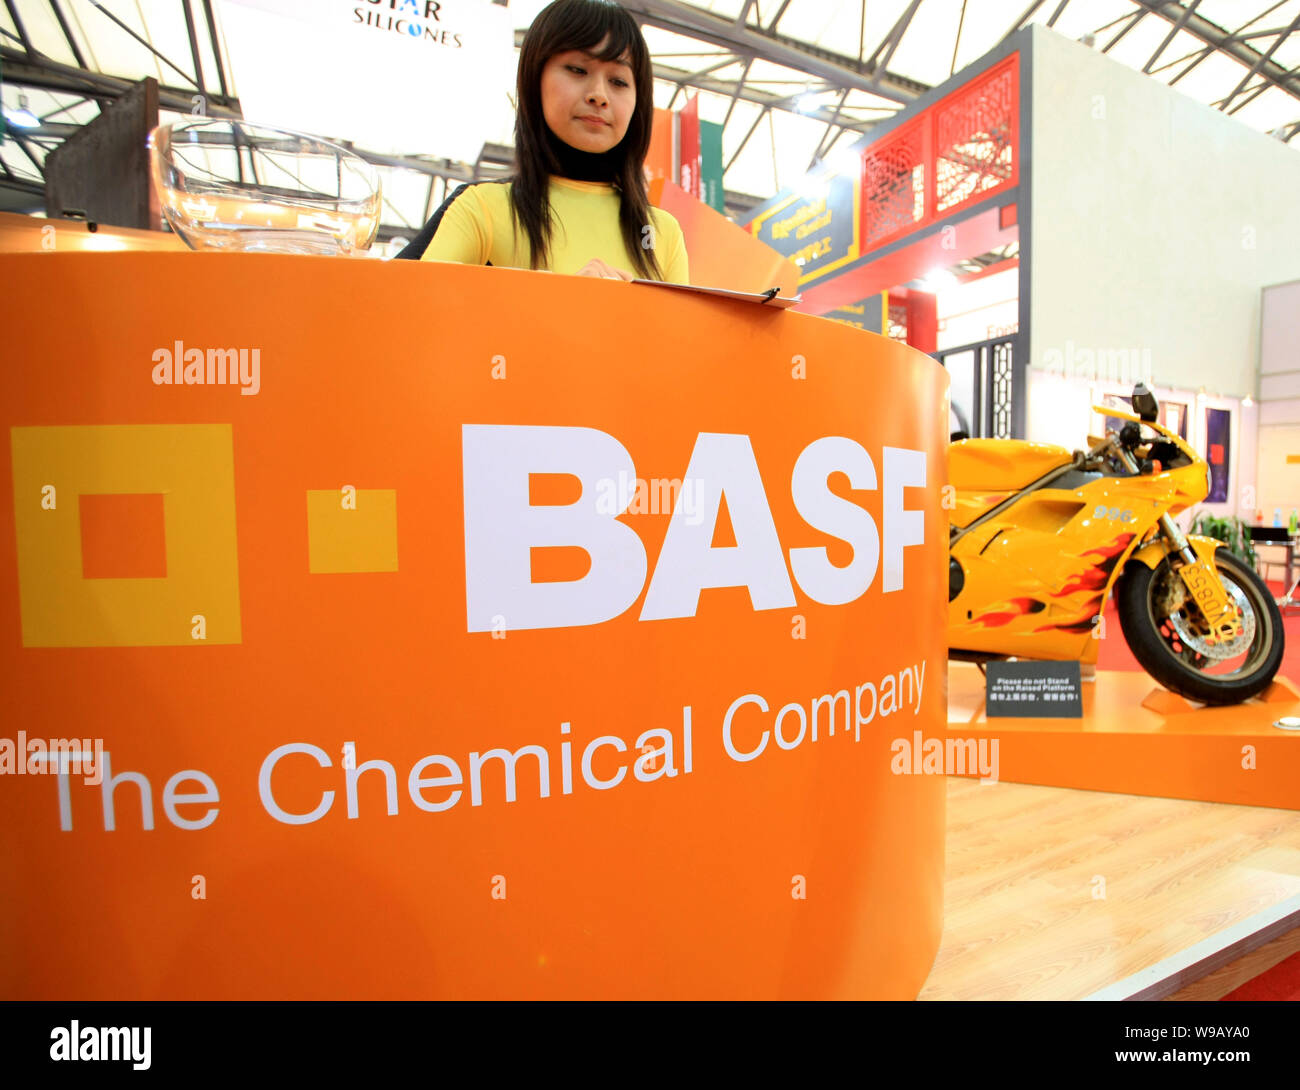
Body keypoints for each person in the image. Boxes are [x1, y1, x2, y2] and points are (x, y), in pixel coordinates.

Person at [413, 0, 688, 283]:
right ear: (535, 78)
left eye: (618, 81)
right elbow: (408, 315)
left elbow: (683, 329)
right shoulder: (480, 209)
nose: (599, 95)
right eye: (577, 70)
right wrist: (555, 304)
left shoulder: (663, 233)